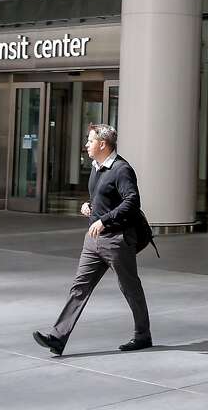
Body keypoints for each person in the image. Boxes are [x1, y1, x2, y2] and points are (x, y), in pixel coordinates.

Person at [33, 124, 151, 355]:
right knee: (79, 287)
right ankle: (57, 338)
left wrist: (104, 220)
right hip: (93, 240)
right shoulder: (97, 168)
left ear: (102, 144)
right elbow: (103, 197)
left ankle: (143, 336)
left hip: (117, 240)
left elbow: (132, 201)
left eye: (90, 140)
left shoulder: (122, 169)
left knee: (130, 288)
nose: (86, 144)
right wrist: (89, 206)